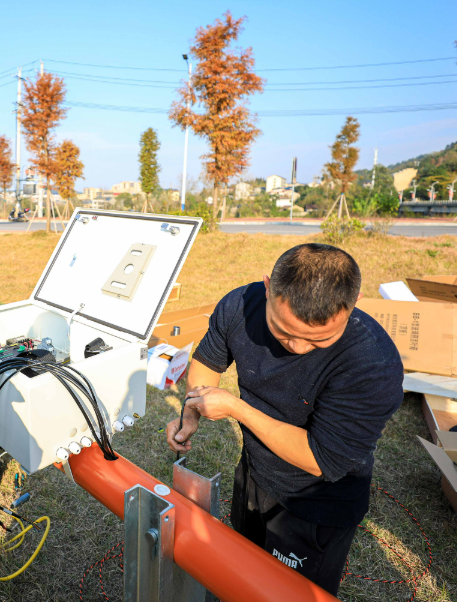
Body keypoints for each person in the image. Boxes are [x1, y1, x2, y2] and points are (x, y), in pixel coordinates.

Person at [166, 243, 403, 595]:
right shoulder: (240, 305)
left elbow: (319, 459)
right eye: (283, 331)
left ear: (354, 304)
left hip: (315, 503)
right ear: (268, 287)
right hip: (253, 475)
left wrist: (236, 408)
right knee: (243, 573)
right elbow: (208, 358)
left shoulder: (372, 364)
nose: (298, 347)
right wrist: (191, 412)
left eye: (319, 339)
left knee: (289, 593)